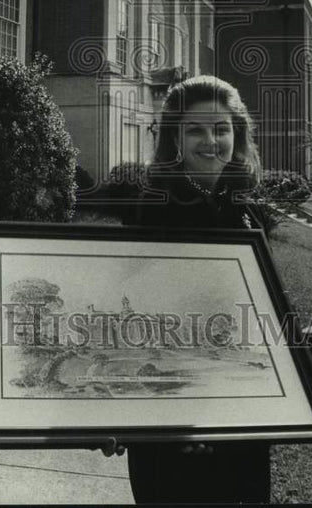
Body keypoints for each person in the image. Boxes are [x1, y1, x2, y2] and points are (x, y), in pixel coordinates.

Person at [126, 75, 271, 505]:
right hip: (174, 430)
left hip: (240, 419)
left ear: (236, 134)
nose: (212, 141)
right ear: (174, 137)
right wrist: (177, 416)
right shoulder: (154, 205)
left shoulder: (245, 205)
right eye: (196, 130)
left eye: (222, 129)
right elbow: (139, 321)